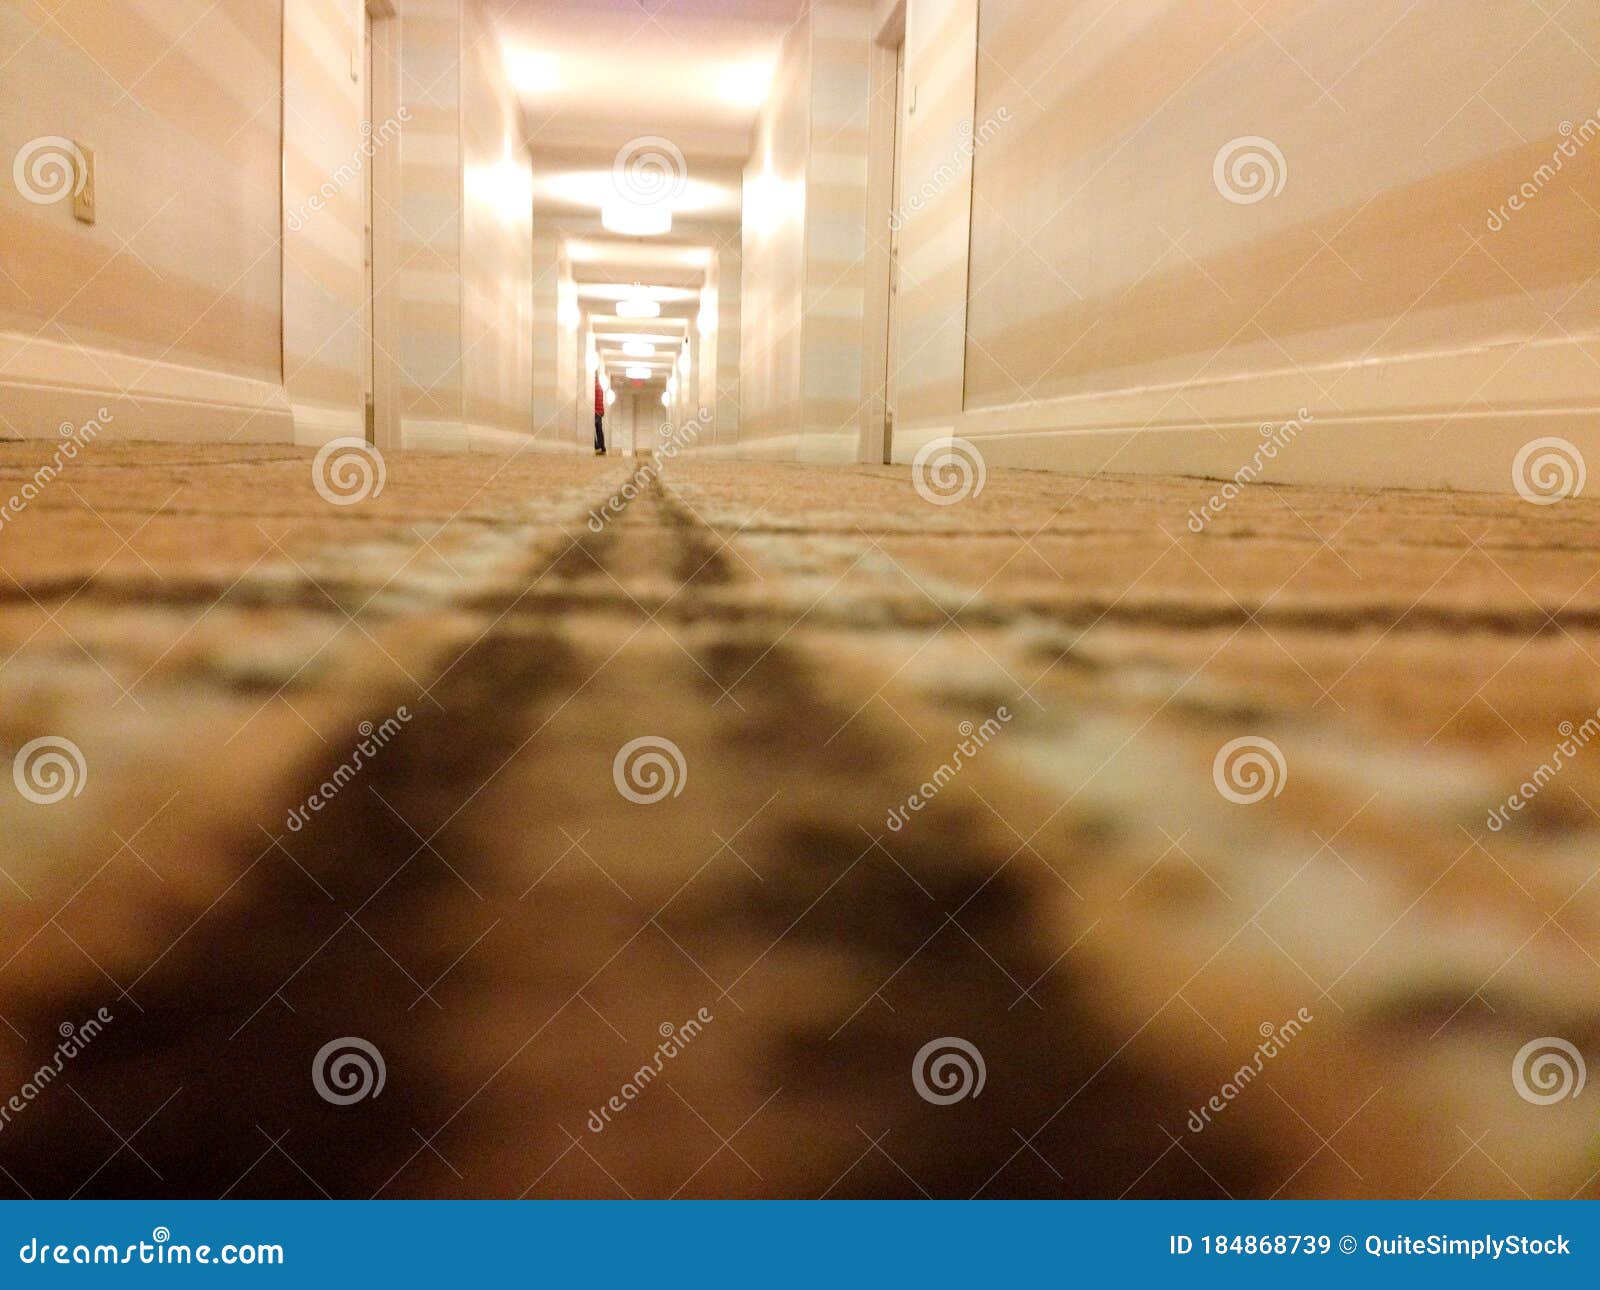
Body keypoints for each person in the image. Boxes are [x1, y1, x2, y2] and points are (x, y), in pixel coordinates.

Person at [593, 376, 607, 456]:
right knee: (599, 430)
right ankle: (602, 448)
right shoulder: (600, 386)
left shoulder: (594, 385)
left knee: (592, 429)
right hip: (600, 411)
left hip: (596, 410)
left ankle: (597, 447)